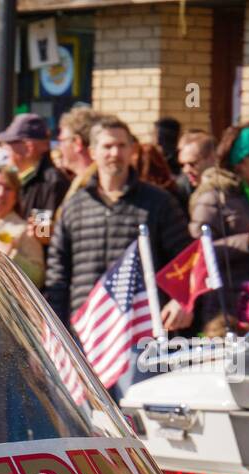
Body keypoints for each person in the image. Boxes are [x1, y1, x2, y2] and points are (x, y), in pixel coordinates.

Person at [44, 117, 190, 330]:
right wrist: (55, 326)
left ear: (132, 150)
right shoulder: (74, 206)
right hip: (86, 329)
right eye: (108, 146)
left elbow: (184, 260)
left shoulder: (159, 202)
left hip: (141, 329)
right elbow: (58, 274)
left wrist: (181, 301)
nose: (115, 153)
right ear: (93, 152)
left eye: (121, 146)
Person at [188, 126, 249, 329]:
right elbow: (199, 250)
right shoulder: (214, 195)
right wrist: (247, 241)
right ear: (239, 162)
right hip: (224, 301)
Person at [0, 113, 69, 229]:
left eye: (10, 143)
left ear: (28, 147)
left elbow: (42, 232)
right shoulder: (22, 178)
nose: (6, 149)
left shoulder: (50, 182)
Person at [0, 166, 44, 286]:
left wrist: (10, 256)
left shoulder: (23, 230)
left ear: (15, 198)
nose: (0, 193)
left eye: (8, 188)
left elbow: (38, 278)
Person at [174, 130, 216, 205]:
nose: (186, 170)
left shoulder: (229, 190)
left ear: (212, 159)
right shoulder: (180, 191)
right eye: (182, 165)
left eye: (192, 164)